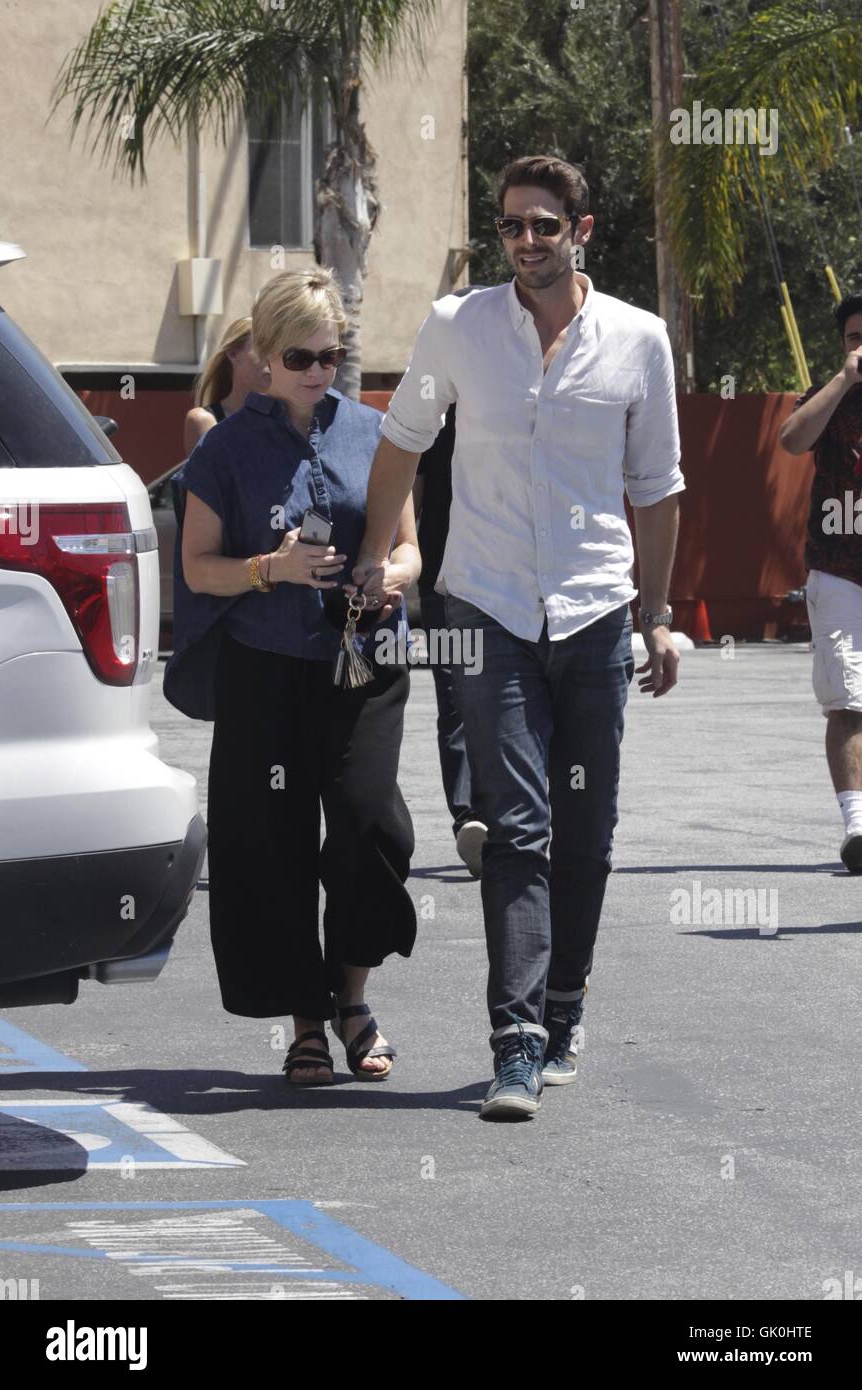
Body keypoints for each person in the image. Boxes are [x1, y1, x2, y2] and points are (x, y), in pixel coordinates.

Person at [355, 154, 684, 1121]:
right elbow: (402, 441)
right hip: (486, 610)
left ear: (582, 230)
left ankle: (566, 1006)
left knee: (587, 834)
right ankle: (516, 1040)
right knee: (518, 830)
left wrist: (657, 617)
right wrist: (376, 556)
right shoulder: (460, 326)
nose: (527, 241)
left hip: (592, 614)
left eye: (545, 225)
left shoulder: (639, 340)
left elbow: (658, 489)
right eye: (511, 226)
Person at [164, 267, 420, 1085]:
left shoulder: (375, 433)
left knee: (370, 826)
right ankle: (307, 1019)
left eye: (331, 355)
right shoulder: (225, 449)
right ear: (263, 356)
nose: (318, 371)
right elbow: (199, 570)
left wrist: (392, 576)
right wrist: (270, 569)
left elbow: (414, 550)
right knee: (269, 847)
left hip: (360, 663)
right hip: (264, 672)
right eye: (301, 356)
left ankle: (353, 995)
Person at [780, 291, 862, 872]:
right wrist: (842, 380)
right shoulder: (831, 395)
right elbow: (790, 439)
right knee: (849, 705)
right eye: (854, 337)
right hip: (838, 572)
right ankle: (859, 827)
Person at [413, 288, 487, 877]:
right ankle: (471, 820)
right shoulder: (426, 407)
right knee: (454, 697)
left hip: (506, 580)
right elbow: (398, 485)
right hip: (441, 583)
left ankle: (509, 814)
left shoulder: (511, 399)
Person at [182, 317, 271, 455]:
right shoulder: (205, 420)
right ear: (233, 354)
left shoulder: (287, 418)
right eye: (262, 348)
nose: (272, 358)